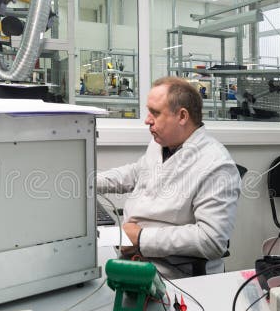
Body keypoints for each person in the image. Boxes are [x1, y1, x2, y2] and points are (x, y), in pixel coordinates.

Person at [97, 76, 241, 276]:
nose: (147, 120)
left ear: (182, 116)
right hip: (131, 253)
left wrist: (141, 238)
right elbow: (135, 173)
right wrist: (91, 182)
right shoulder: (160, 144)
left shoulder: (216, 165)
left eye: (155, 113)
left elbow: (212, 240)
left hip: (170, 274)